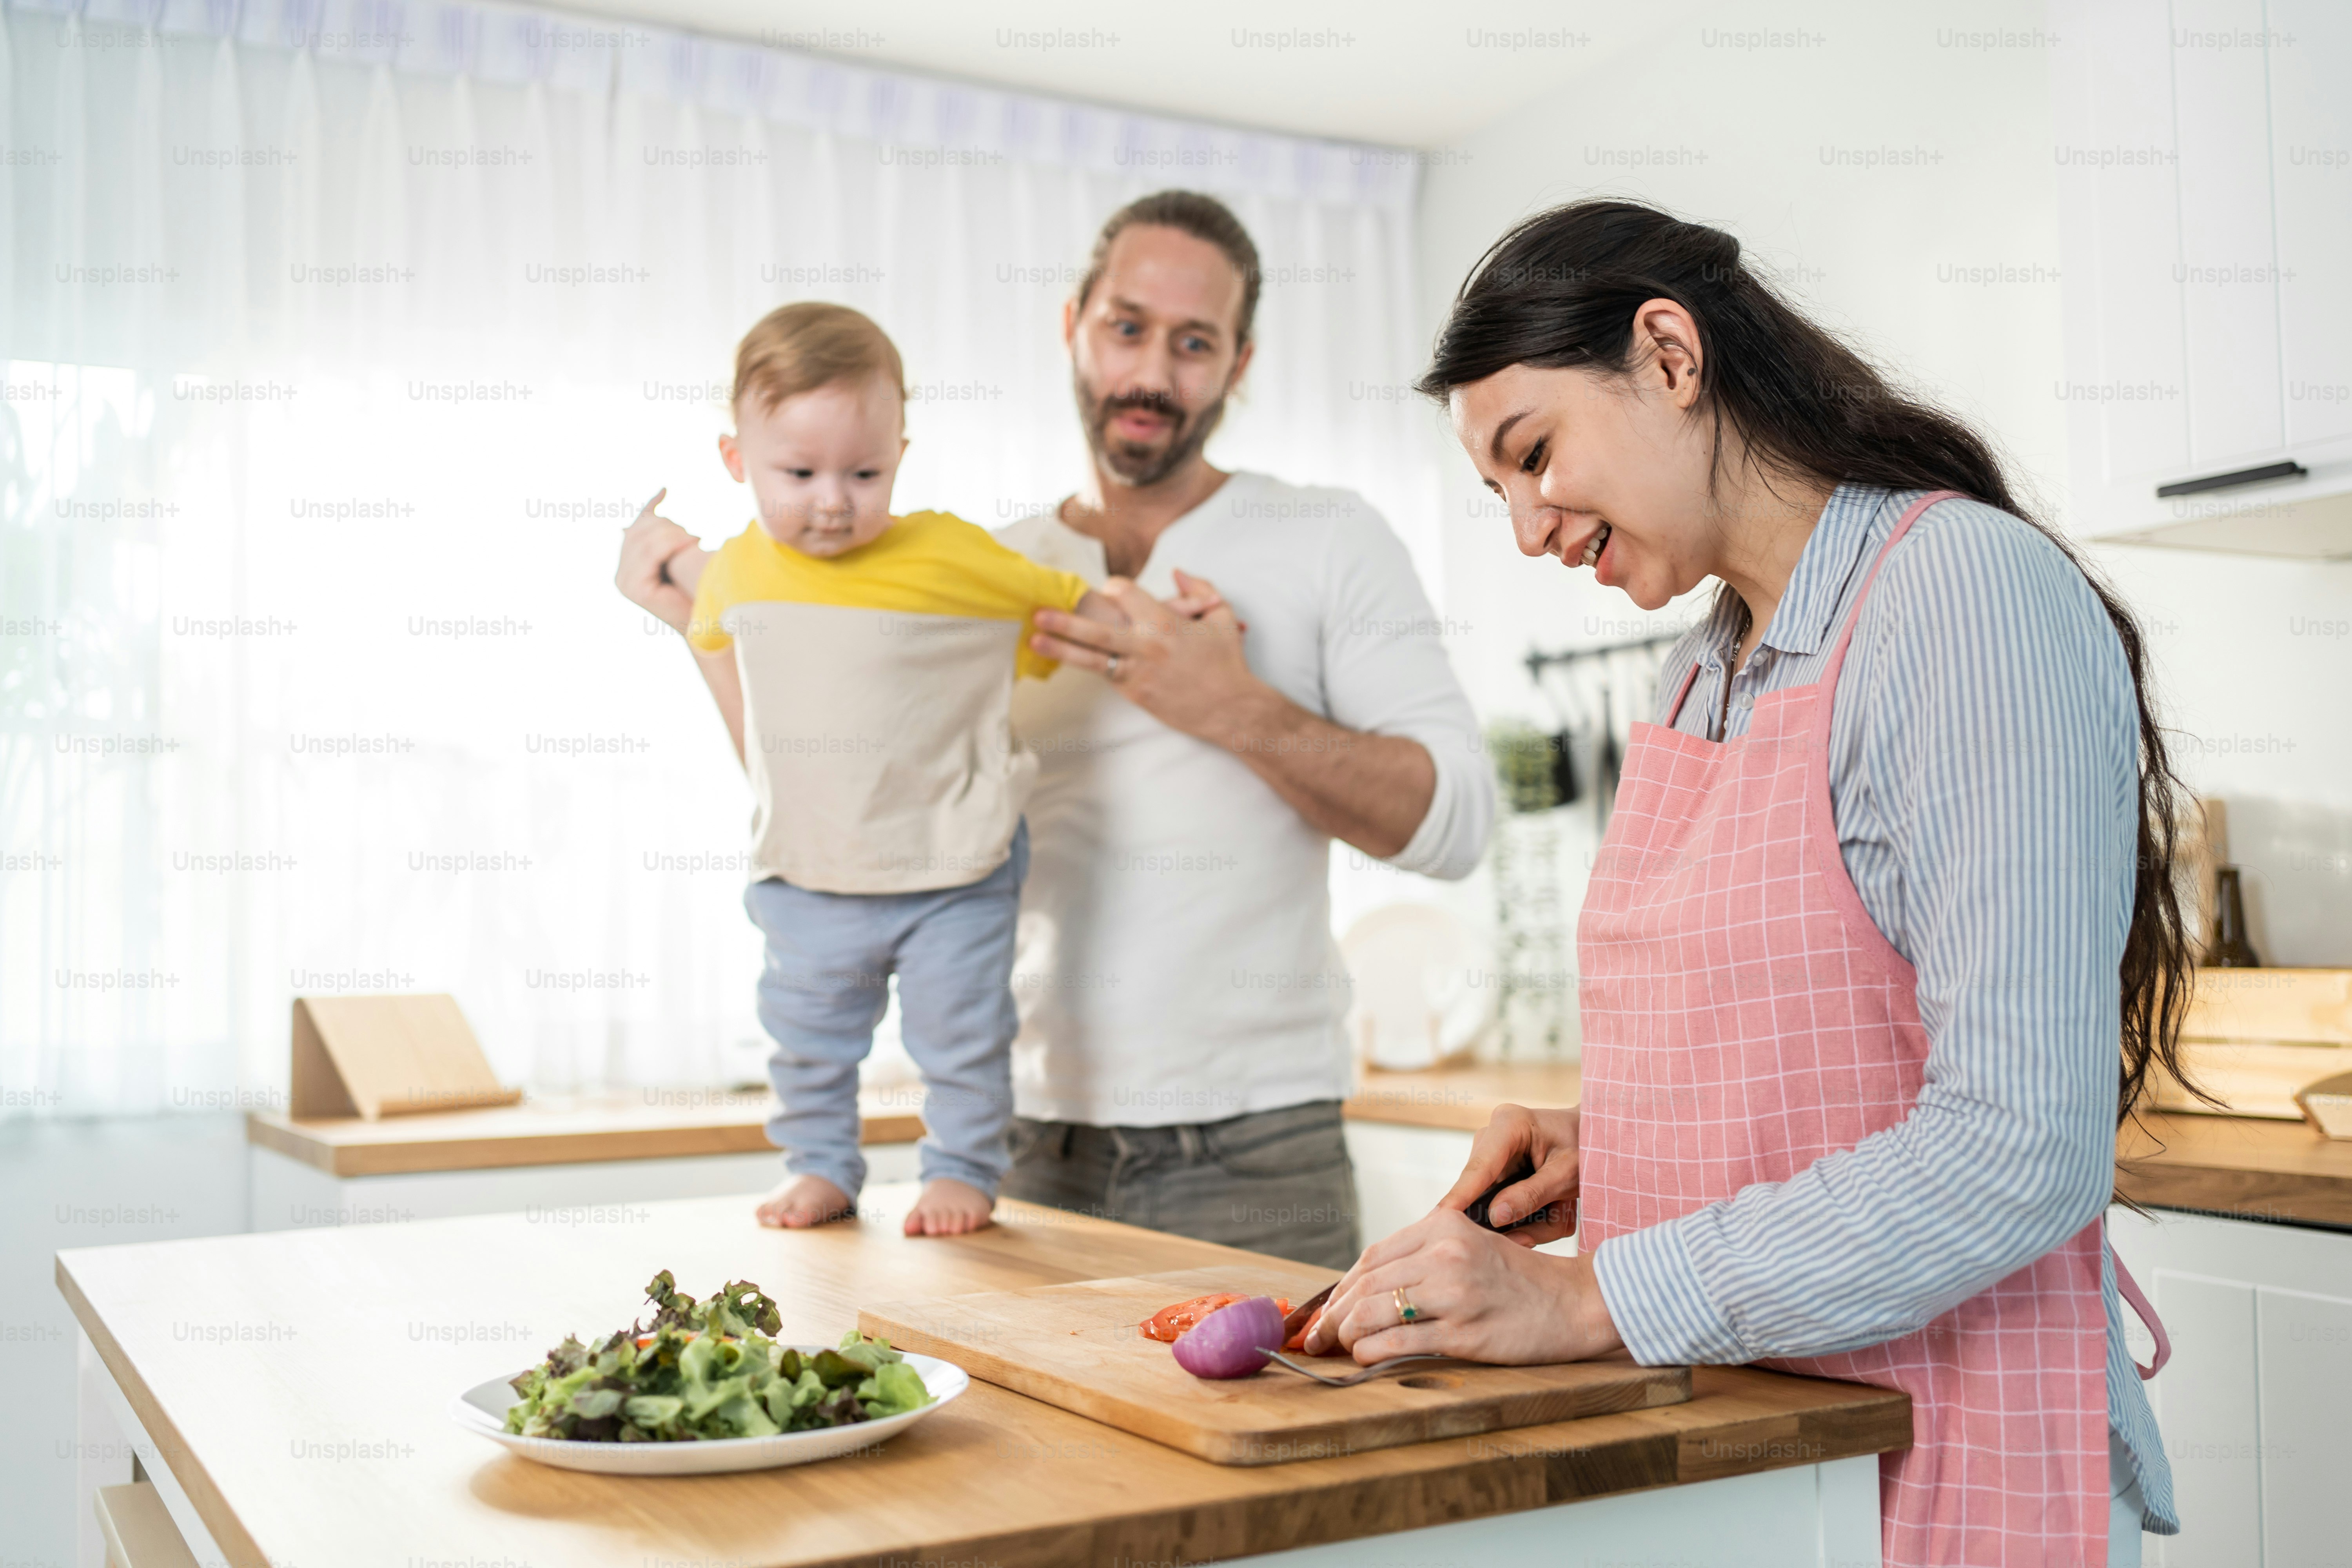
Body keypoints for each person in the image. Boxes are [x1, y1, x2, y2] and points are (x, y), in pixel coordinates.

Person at [1302, 200, 2193, 1567]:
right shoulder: (1709, 664)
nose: (1531, 530)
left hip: (1946, 1456)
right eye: (1498, 495)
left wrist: (1592, 1296)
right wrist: (1623, 1137)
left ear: (1668, 353)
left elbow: (2021, 1145)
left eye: (1534, 455)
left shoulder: (1960, 594)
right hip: (1754, 1461)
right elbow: (1836, 1035)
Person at [997, 191, 1492, 1270]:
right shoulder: (996, 570)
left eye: (1194, 343)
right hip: (1020, 1139)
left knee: (1272, 1436)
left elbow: (1454, 823)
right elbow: (869, 817)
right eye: (1126, 328)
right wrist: (712, 631)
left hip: (1258, 1153)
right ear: (1073, 322)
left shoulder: (1329, 540)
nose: (1152, 375)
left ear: (1239, 361)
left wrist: (1233, 707)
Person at [615, 301, 1146, 1238]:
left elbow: (1080, 610)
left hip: (957, 862)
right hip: (810, 869)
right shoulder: (735, 571)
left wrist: (1147, 620)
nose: (832, 499)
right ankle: (820, 1164)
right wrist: (666, 554)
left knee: (962, 1036)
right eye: (799, 472)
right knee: (808, 1041)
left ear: (901, 450)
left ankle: (961, 1169)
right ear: (736, 460)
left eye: (865, 472)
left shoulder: (954, 556)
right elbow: (747, 699)